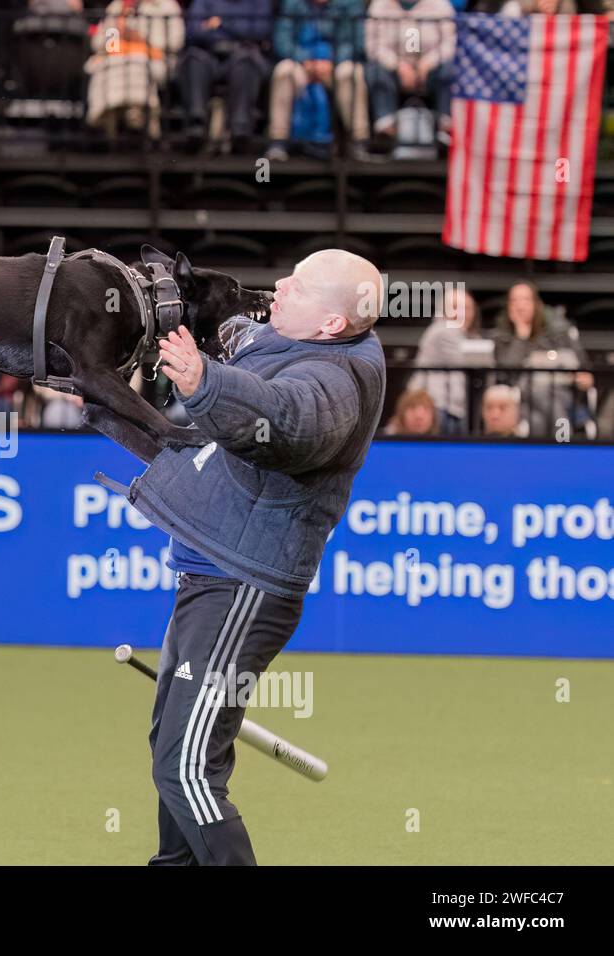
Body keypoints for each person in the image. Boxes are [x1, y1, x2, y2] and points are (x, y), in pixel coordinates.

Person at [112, 248, 386, 865]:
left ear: (332, 325)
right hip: (214, 573)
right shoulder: (304, 339)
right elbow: (244, 334)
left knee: (185, 767)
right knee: (175, 750)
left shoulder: (336, 382)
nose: (280, 286)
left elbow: (286, 422)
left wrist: (204, 381)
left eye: (300, 285)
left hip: (243, 584)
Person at [265, 0, 368, 161]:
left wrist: (330, 61)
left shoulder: (351, 3)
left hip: (335, 64)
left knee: (350, 73)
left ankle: (358, 141)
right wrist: (306, 60)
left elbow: (357, 43)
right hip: (302, 64)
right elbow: (282, 40)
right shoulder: (293, 3)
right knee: (283, 70)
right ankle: (279, 140)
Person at [490, 281, 594, 440]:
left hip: (562, 392)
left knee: (537, 420)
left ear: (537, 304)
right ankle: (564, 441)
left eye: (525, 300)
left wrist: (584, 377)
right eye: (514, 301)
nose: (520, 306)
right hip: (522, 398)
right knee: (539, 393)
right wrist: (521, 337)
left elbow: (583, 365)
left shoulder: (559, 332)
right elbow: (506, 374)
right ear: (508, 307)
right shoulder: (502, 337)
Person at [176, 0, 274, 154]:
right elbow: (193, 31)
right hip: (208, 54)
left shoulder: (259, 2)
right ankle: (196, 123)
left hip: (243, 54)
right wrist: (237, 29)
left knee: (246, 61)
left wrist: (221, 23)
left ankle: (240, 129)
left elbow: (259, 31)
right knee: (193, 58)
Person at [364, 0, 457, 154]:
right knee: (375, 71)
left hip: (431, 68)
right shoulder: (379, 5)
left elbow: (451, 42)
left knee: (450, 69)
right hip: (393, 68)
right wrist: (398, 66)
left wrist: (427, 64)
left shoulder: (440, 5)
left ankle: (445, 128)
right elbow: (373, 46)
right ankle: (386, 130)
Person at [85, 0, 185, 140]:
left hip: (153, 58)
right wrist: (117, 28)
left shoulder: (167, 6)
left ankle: (136, 118)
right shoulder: (117, 6)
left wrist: (139, 37)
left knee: (135, 64)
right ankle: (109, 122)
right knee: (109, 65)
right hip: (119, 57)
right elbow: (103, 45)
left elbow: (175, 42)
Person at [407, 286, 485, 434]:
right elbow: (470, 360)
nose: (462, 313)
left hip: (452, 407)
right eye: (456, 307)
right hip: (437, 404)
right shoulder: (444, 329)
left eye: (467, 308)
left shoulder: (463, 334)